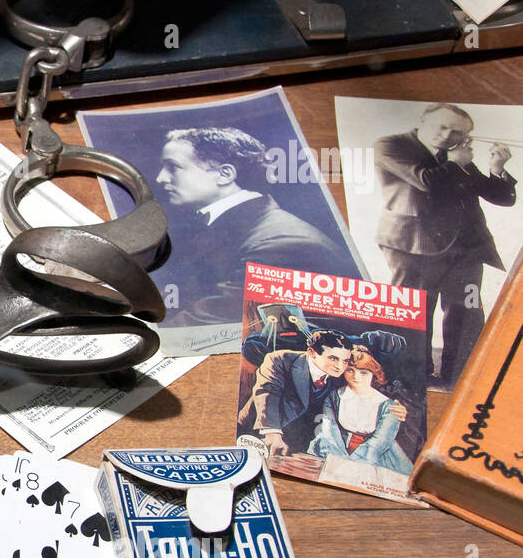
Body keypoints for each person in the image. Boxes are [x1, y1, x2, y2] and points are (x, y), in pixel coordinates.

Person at [373, 103, 516, 384]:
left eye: (457, 132)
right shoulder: (391, 145)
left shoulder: (455, 157)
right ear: (424, 120)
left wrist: (497, 169)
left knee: (468, 311)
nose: (447, 134)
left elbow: (502, 198)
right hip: (412, 244)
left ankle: (459, 377)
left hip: (466, 248)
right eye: (442, 126)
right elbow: (426, 181)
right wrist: (455, 162)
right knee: (414, 312)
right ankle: (412, 377)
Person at [156, 127, 348, 324]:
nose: (160, 178)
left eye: (173, 167)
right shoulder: (226, 226)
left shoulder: (282, 243)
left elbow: (202, 323)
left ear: (224, 175)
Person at [308, 345, 413, 474]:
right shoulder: (334, 396)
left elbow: (378, 444)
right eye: (350, 370)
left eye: (363, 372)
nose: (356, 377)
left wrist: (351, 464)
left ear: (373, 374)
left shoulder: (388, 406)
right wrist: (339, 460)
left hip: (374, 455)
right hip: (335, 446)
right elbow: (330, 430)